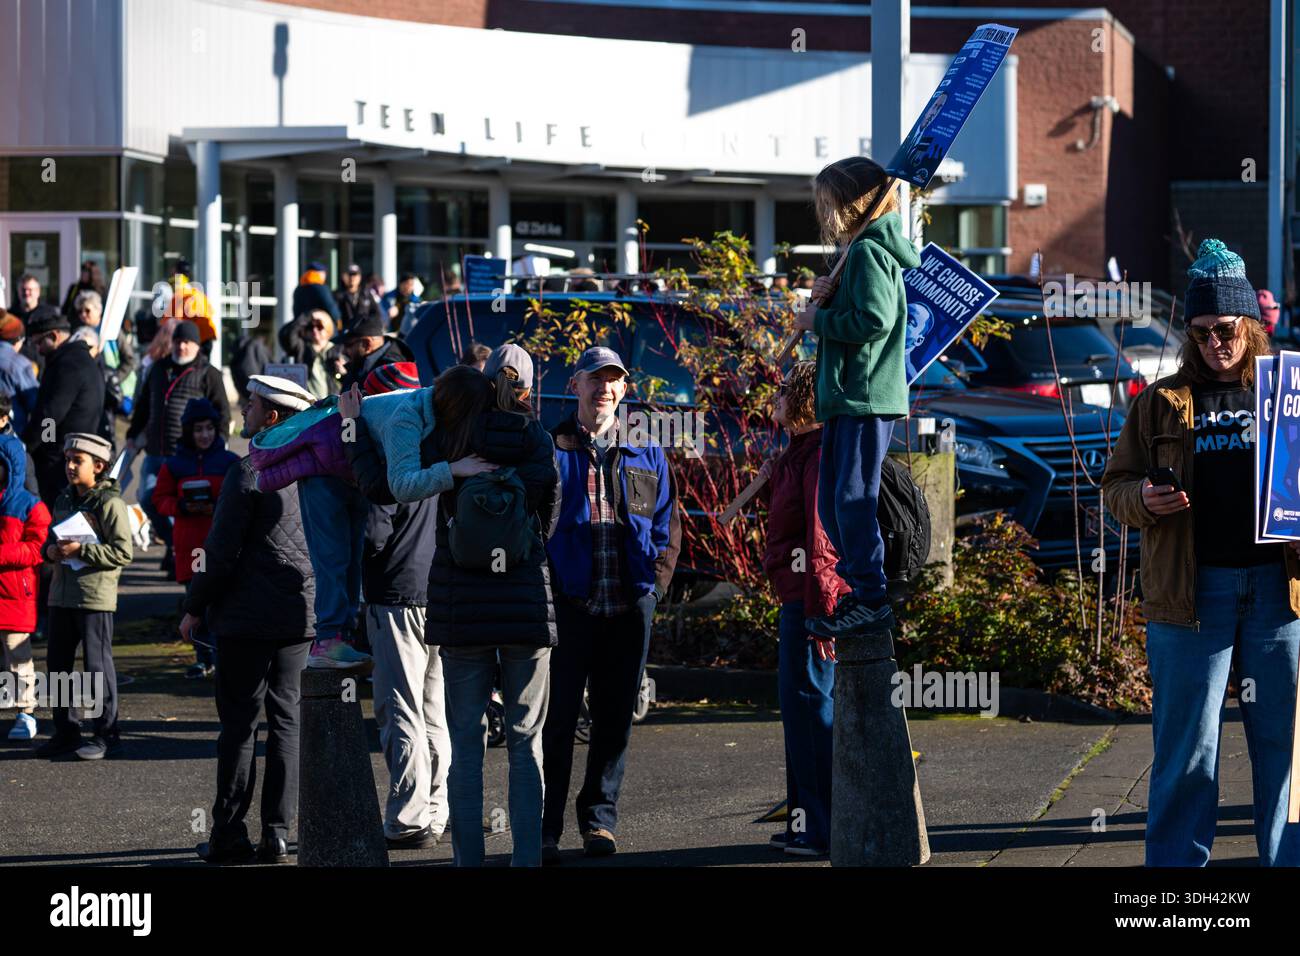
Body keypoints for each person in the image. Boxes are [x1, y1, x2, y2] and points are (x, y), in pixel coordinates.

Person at [1103, 238, 1300, 867]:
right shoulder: (1160, 401)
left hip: (1279, 592)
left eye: (1227, 327)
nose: (1217, 340)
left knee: (1282, 746)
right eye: (1202, 330)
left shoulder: (1286, 395)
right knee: (1189, 748)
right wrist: (1143, 500)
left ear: (1250, 324)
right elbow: (1115, 486)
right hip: (1192, 594)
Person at [417, 349, 559, 866]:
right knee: (526, 740)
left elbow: (402, 476)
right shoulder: (533, 436)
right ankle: (526, 860)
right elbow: (549, 514)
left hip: (462, 605)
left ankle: (468, 861)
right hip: (523, 602)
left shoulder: (451, 435)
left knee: (466, 743)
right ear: (526, 386)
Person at [542, 346, 681, 863]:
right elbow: (533, 524)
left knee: (615, 720)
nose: (604, 388)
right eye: (594, 379)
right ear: (575, 385)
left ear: (624, 390)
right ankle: (546, 827)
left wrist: (656, 587)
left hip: (628, 606)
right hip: (569, 607)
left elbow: (669, 524)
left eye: (613, 381)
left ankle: (599, 822)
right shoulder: (549, 446)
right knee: (555, 722)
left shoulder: (648, 449)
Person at [181, 375, 317, 865]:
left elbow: (219, 555)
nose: (245, 409)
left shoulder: (249, 471)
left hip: (243, 619)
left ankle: (229, 834)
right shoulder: (317, 471)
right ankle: (278, 834)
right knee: (287, 723)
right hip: (300, 613)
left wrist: (195, 607)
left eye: (254, 404)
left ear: (273, 416)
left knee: (239, 728)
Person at [793, 155, 918, 638]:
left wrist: (816, 321)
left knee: (851, 499)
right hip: (846, 397)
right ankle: (857, 591)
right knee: (832, 503)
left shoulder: (869, 253)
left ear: (852, 203)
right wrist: (827, 295)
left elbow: (874, 321)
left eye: (828, 203)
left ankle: (871, 597)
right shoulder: (855, 254)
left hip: (865, 396)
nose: (824, 214)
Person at [337, 364, 448, 850]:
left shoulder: (388, 453)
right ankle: (437, 809)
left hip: (396, 595)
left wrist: (350, 431)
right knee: (433, 709)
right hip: (439, 592)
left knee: (398, 707)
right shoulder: (437, 443)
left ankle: (407, 817)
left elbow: (376, 534)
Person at [758, 360, 845, 857]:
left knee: (811, 707)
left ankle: (822, 829)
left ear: (806, 399)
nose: (777, 396)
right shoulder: (798, 453)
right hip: (797, 597)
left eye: (786, 390)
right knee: (798, 709)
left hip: (808, 601)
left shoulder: (816, 456)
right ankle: (801, 821)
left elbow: (819, 540)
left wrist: (821, 614)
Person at [34, 433, 133, 760]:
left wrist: (83, 551)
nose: (70, 466)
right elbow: (51, 540)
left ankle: (107, 735)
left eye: (78, 460)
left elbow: (122, 551)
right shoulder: (63, 499)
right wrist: (50, 551)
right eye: (68, 459)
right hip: (61, 596)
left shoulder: (110, 503)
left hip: (94, 598)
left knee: (98, 668)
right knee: (58, 667)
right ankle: (66, 731)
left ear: (100, 466)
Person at [126, 319, 230, 575]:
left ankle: (180, 555)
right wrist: (132, 434)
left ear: (196, 345)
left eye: (187, 342)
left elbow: (223, 411)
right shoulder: (159, 369)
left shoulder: (208, 373)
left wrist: (220, 442)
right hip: (154, 450)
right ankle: (175, 545)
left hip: (185, 454)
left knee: (186, 505)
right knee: (149, 499)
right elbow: (143, 405)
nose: (181, 346)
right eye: (178, 341)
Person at [151, 398, 240, 679]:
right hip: (190, 544)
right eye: (198, 429)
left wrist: (219, 507)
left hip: (222, 545)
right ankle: (203, 659)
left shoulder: (230, 462)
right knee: (195, 602)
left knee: (223, 602)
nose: (204, 435)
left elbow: (243, 497)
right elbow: (159, 499)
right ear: (188, 431)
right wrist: (180, 507)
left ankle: (223, 656)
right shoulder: (174, 464)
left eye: (209, 428)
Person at [23, 308, 107, 506]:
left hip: (60, 461)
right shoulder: (80, 359)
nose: (37, 350)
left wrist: (34, 446)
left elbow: (51, 416)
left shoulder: (68, 365)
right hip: (72, 453)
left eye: (38, 343)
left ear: (54, 335)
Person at [0, 433, 51, 742]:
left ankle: (26, 712)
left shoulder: (30, 505)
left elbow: (38, 548)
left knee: (17, 653)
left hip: (15, 591)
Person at [278, 309, 343, 400]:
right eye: (310, 326)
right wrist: (307, 316)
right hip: (308, 404)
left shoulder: (339, 349)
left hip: (331, 403)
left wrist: (342, 372)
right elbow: (286, 335)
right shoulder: (302, 348)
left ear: (328, 327)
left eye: (319, 326)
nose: (314, 329)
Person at [339, 313, 414, 392]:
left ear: (366, 344)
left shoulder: (392, 374)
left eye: (348, 345)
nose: (344, 350)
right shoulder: (362, 360)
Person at [0, 312, 39, 436]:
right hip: (11, 437)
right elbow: (37, 406)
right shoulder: (19, 364)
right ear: (17, 340)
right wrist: (48, 438)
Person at [335, 262, 381, 328]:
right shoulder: (338, 295)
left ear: (360, 277)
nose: (352, 278)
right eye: (350, 275)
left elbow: (376, 314)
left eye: (355, 275)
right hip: (345, 333)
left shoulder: (366, 294)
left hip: (363, 331)